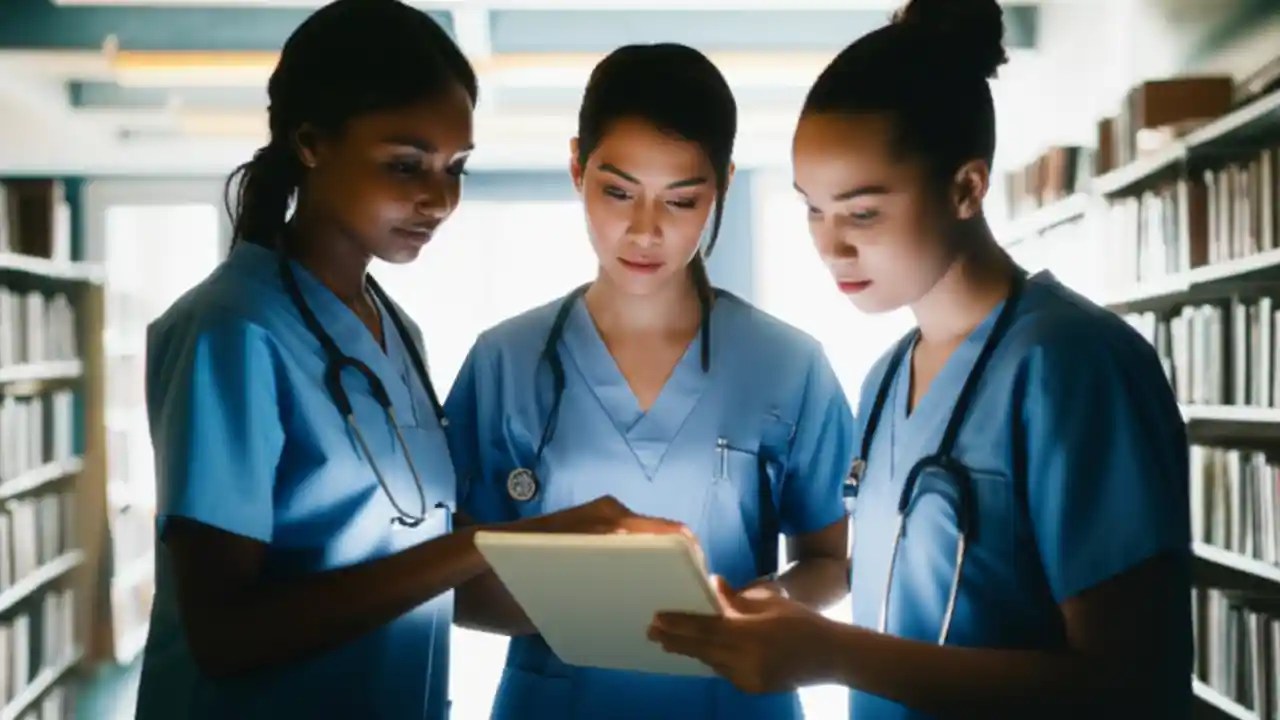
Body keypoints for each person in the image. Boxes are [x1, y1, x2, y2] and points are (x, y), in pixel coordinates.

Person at [648, 1, 1193, 718]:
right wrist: (768, 610)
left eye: (863, 212)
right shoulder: (883, 381)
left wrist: (832, 653)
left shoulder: (1073, 366)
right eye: (813, 208)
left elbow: (1131, 685)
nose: (831, 245)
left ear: (966, 187)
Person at [133, 3, 677, 718]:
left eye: (456, 168)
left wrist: (635, 608)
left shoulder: (397, 333)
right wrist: (501, 540)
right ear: (310, 142)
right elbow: (227, 634)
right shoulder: (231, 331)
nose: (439, 198)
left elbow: (422, 578)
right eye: (405, 164)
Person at [444, 43, 855, 720]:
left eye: (682, 200)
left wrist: (759, 607)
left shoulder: (788, 364)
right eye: (618, 191)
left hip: (731, 698)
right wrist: (573, 610)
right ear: (578, 165)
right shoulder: (503, 362)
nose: (645, 230)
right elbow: (449, 578)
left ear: (720, 184)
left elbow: (831, 562)